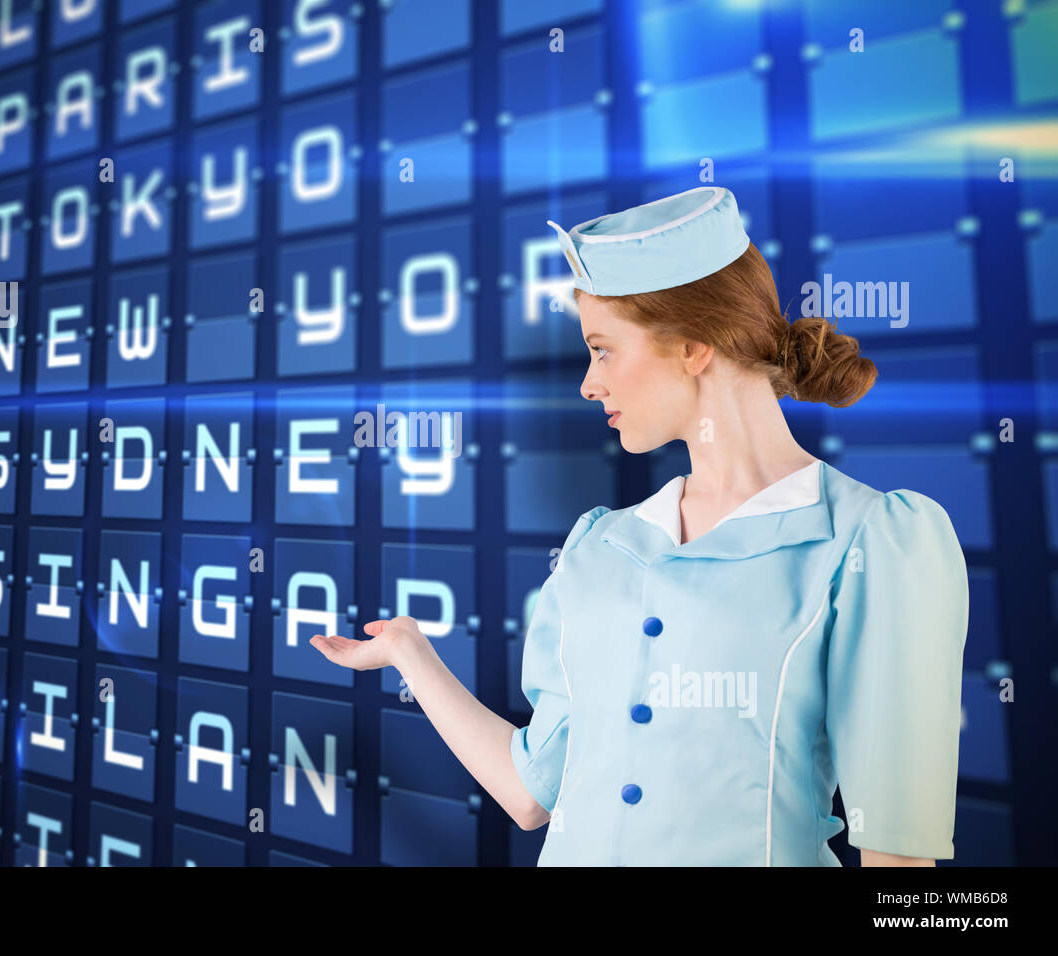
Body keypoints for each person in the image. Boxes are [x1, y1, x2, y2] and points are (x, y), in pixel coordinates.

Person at [309, 186, 969, 866]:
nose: (588, 384)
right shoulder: (599, 545)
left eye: (602, 349)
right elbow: (533, 792)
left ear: (693, 346)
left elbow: (900, 857)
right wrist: (411, 655)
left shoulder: (872, 542)